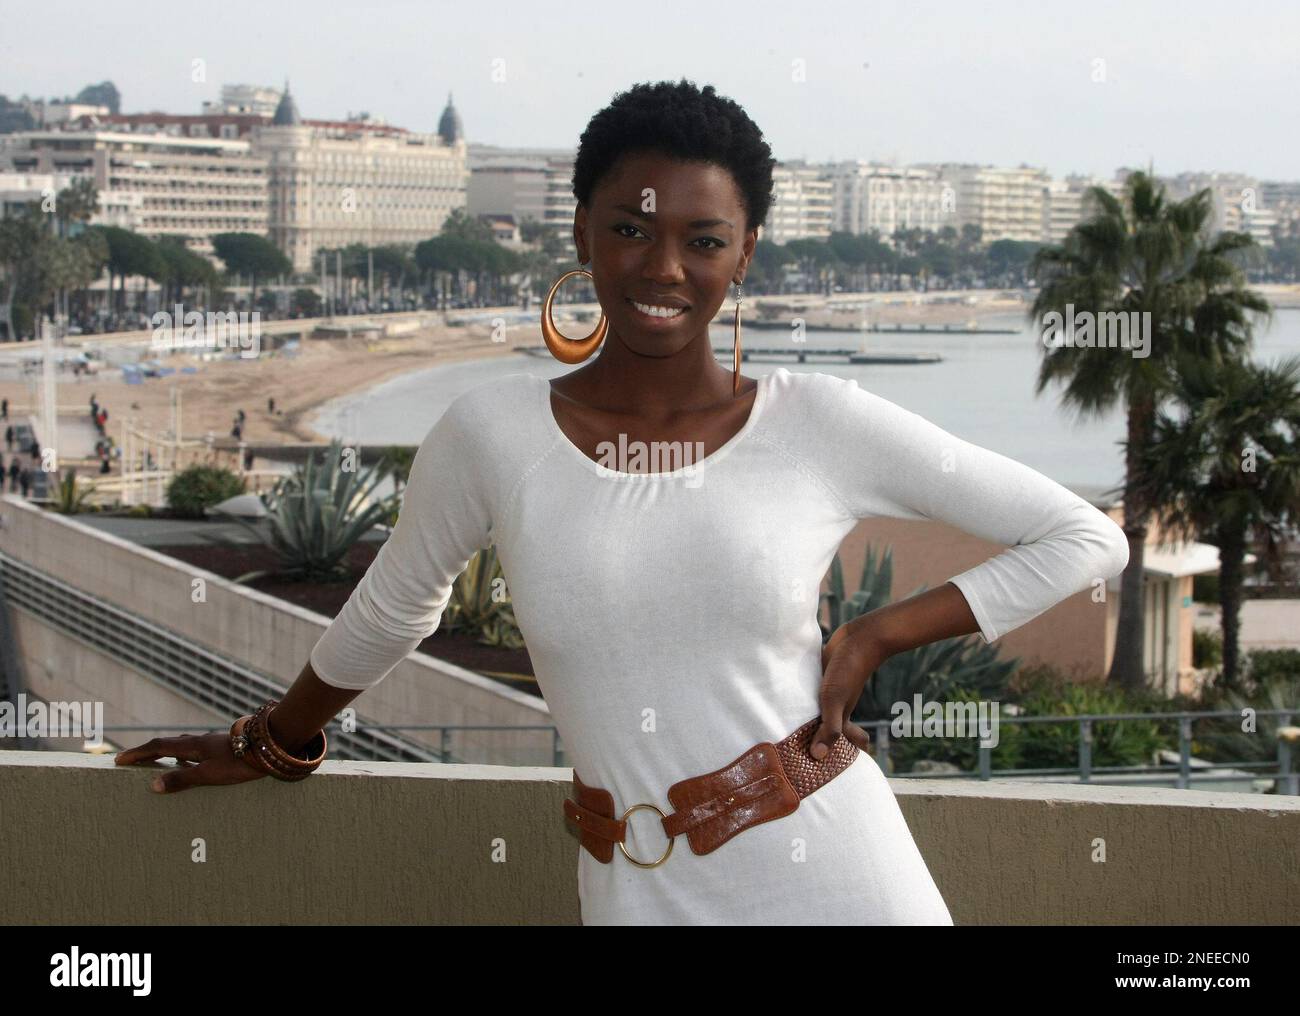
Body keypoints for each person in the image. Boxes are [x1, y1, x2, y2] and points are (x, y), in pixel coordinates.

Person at [114, 79, 1129, 927]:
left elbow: (1084, 537)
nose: (662, 267)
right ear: (584, 231)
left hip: (834, 871)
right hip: (628, 885)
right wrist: (271, 738)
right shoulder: (489, 433)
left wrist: (875, 632)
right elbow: (396, 605)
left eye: (702, 238)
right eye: (632, 229)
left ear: (745, 252)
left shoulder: (818, 422)